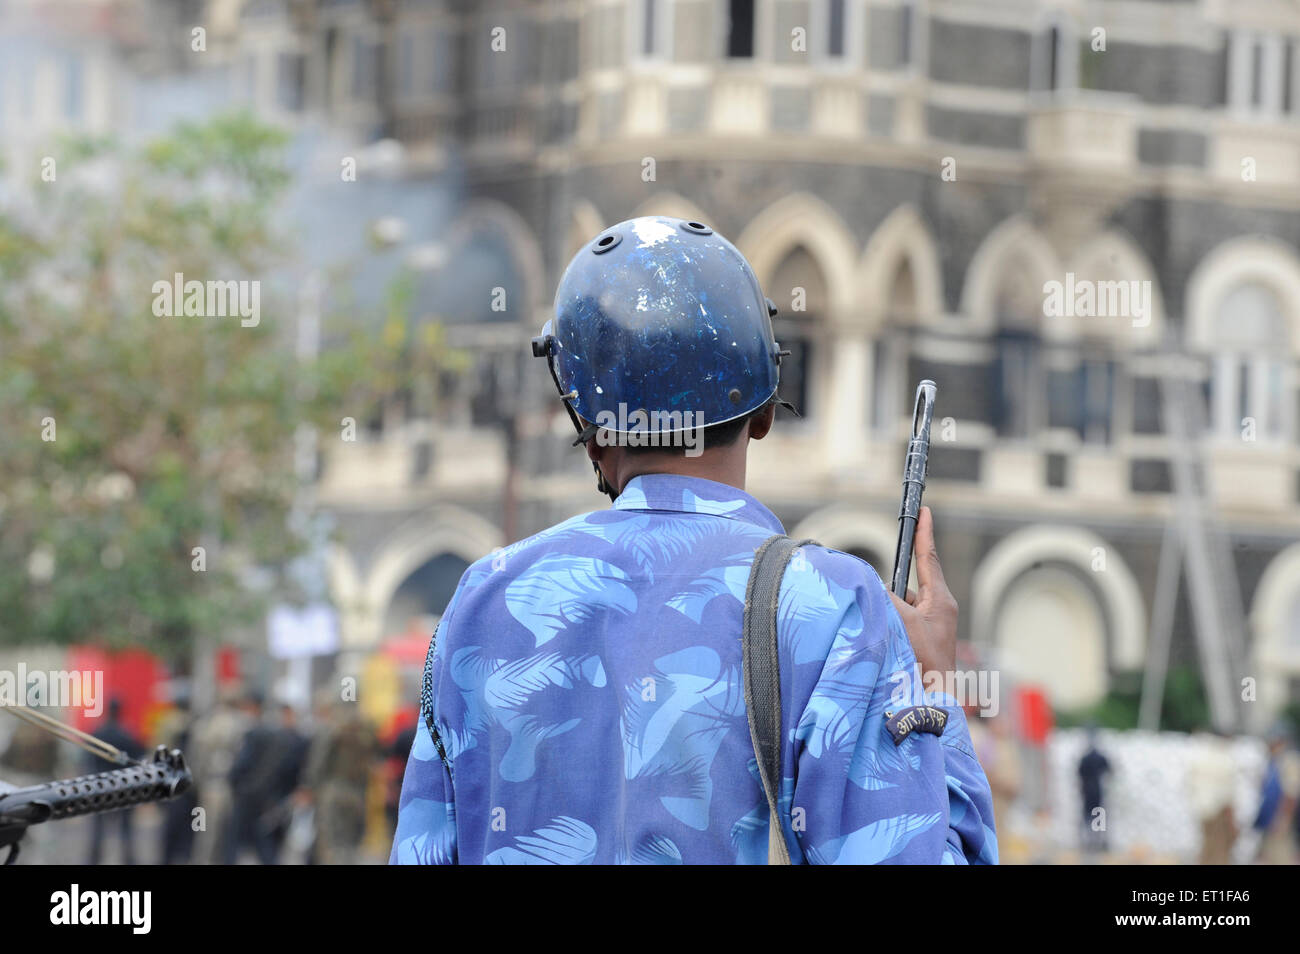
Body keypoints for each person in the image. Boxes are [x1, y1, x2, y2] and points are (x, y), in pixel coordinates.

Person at [390, 216, 996, 865]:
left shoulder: (484, 600)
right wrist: (931, 684)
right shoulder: (832, 606)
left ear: (590, 428)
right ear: (764, 412)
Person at [86, 697, 145, 865]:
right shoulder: (126, 734)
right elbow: (137, 760)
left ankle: (93, 860)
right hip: (123, 786)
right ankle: (129, 860)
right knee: (126, 830)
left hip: (100, 786)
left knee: (98, 831)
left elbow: (88, 760)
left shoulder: (97, 732)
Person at [1077, 725, 1111, 854]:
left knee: (1091, 815)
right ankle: (1095, 840)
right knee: (1095, 814)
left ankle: (1093, 840)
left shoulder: (1086, 758)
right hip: (1095, 789)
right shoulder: (1097, 757)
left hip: (1090, 789)